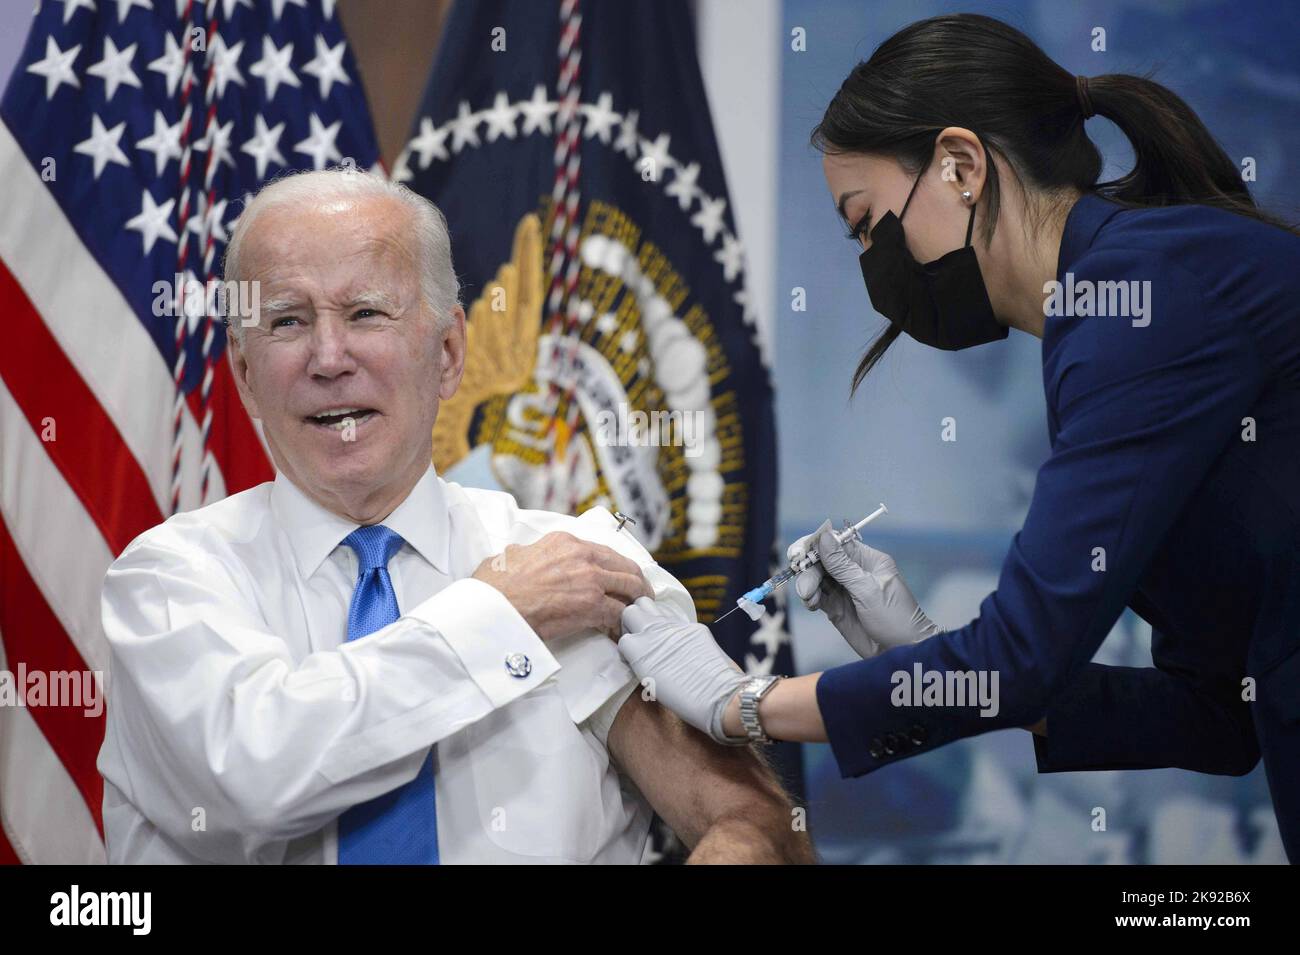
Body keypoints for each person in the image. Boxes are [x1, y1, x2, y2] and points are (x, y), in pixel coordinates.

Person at [618, 13, 1300, 861]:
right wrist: (937, 658)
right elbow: (1216, 713)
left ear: (962, 165)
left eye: (868, 222)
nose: (874, 262)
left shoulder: (1136, 299)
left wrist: (743, 704)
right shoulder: (1109, 312)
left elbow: (1020, 656)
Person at [96, 168, 812, 865]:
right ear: (247, 375)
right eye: (287, 320)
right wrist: (499, 615)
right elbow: (254, 773)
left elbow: (755, 825)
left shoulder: (581, 567)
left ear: (447, 352)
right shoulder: (166, 582)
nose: (328, 356)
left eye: (365, 312)